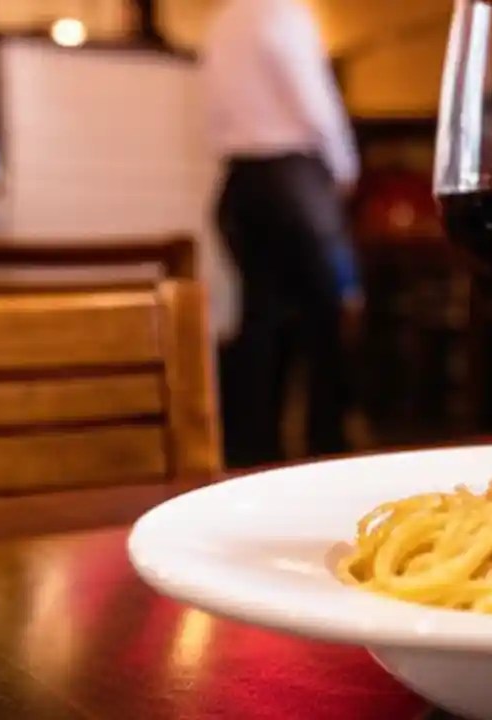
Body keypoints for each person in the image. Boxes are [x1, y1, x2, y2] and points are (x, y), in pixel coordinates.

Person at [201, 0, 363, 468]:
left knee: (261, 319)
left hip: (238, 183)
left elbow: (212, 116)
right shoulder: (283, 13)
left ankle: (252, 454)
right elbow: (313, 101)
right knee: (327, 317)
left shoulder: (223, 21)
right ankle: (328, 448)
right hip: (293, 177)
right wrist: (345, 167)